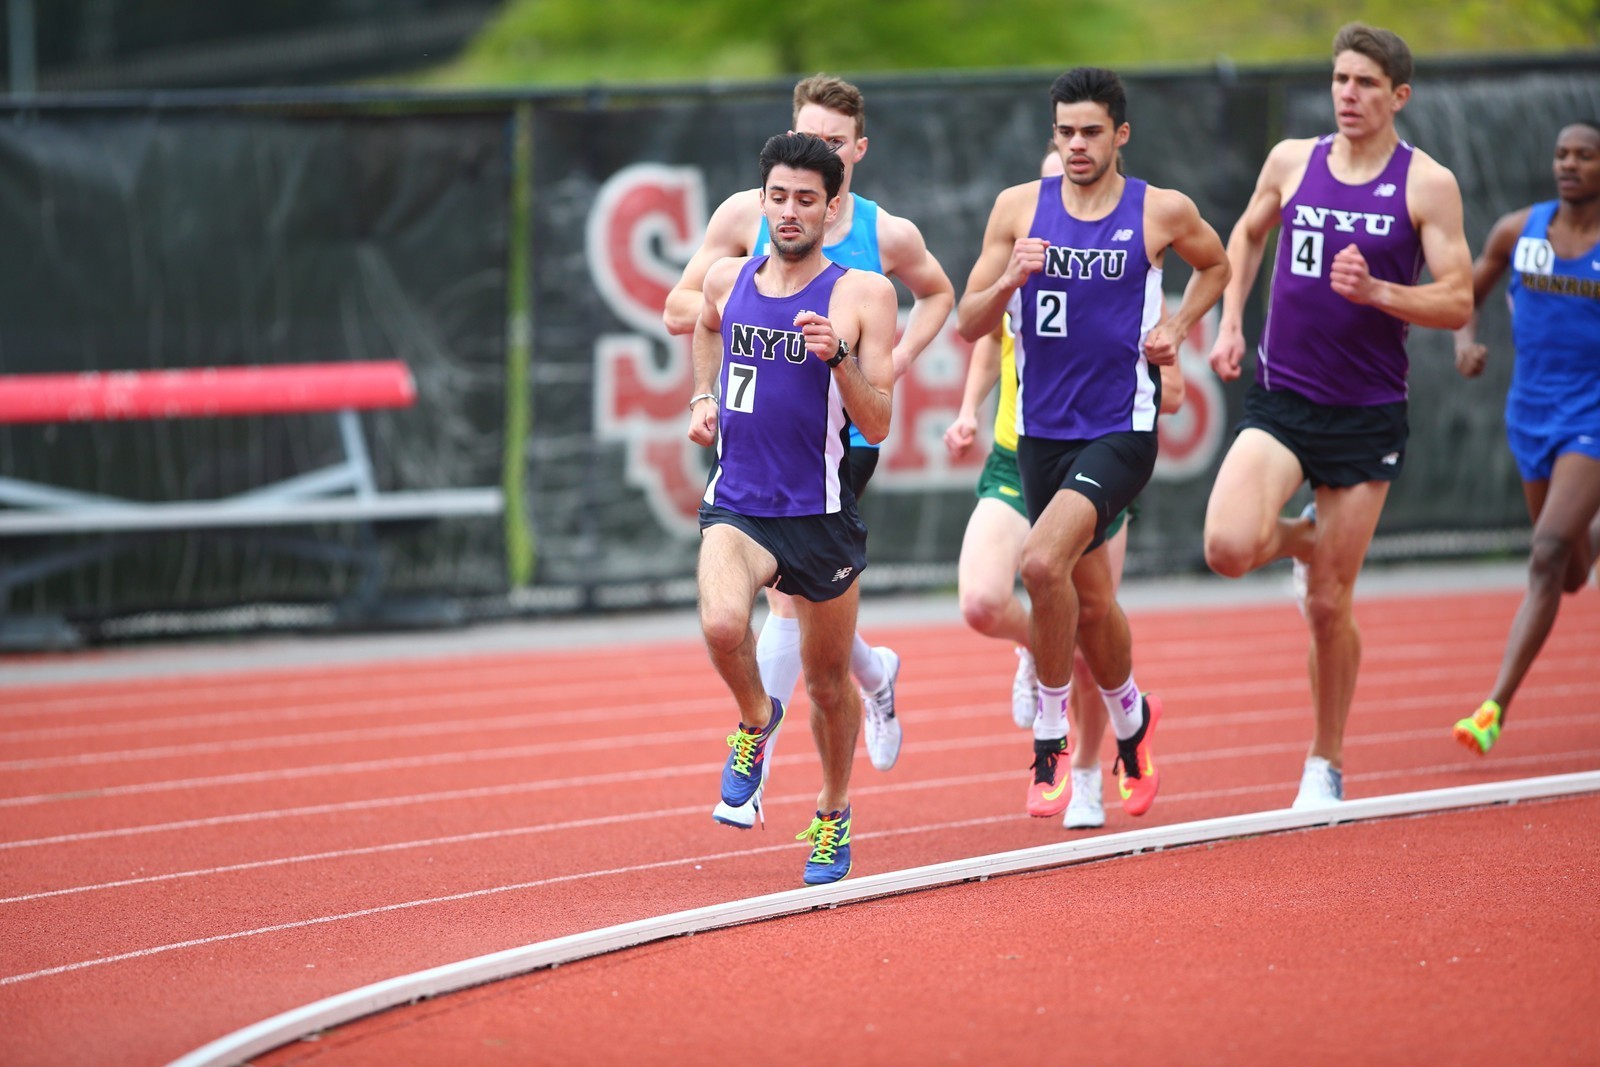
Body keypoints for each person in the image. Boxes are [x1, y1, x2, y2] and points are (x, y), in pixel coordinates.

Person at [1202, 24, 1473, 808]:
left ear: (1399, 97)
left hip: (1365, 414)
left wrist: (1381, 292)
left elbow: (1456, 299)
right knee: (1224, 546)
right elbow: (1247, 235)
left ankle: (1325, 760)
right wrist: (1228, 323)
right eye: (1340, 80)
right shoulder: (1293, 160)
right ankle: (1306, 539)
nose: (1348, 95)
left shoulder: (1427, 184)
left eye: (1364, 83)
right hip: (1284, 397)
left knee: (1327, 603)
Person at [666, 73, 955, 788]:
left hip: (841, 444)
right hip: (756, 440)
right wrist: (712, 366)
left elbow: (935, 296)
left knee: (801, 607)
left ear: (856, 151)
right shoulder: (747, 218)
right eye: (808, 136)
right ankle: (766, 736)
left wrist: (885, 357)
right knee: (769, 608)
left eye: (832, 143)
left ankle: (832, 736)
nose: (817, 150)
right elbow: (690, 305)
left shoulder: (881, 238)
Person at [956, 67, 1229, 823]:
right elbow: (970, 322)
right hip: (1040, 431)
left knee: (1040, 563)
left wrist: (1178, 327)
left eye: (1091, 132)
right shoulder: (1019, 209)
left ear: (1120, 135)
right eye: (1065, 132)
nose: (1076, 145)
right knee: (1093, 598)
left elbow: (1218, 264)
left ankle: (1050, 733)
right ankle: (1133, 720)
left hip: (1119, 429)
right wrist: (1010, 276)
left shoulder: (1159, 210)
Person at [688, 132, 897, 885]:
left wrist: (838, 359)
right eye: (778, 196)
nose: (788, 211)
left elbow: (877, 424)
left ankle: (834, 810)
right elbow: (705, 329)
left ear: (832, 206)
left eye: (806, 199)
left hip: (821, 514)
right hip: (738, 502)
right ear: (762, 200)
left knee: (829, 684)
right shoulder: (726, 278)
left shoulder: (863, 294)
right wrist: (703, 396)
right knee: (720, 623)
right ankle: (753, 717)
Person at [1450, 120, 1600, 754]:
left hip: (1590, 418)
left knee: (1543, 554)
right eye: (1562, 154)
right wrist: (1464, 342)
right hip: (1529, 414)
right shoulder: (1519, 231)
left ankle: (1493, 707)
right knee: (1566, 571)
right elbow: (1466, 295)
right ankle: (1585, 529)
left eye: (1585, 156)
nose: (1569, 165)